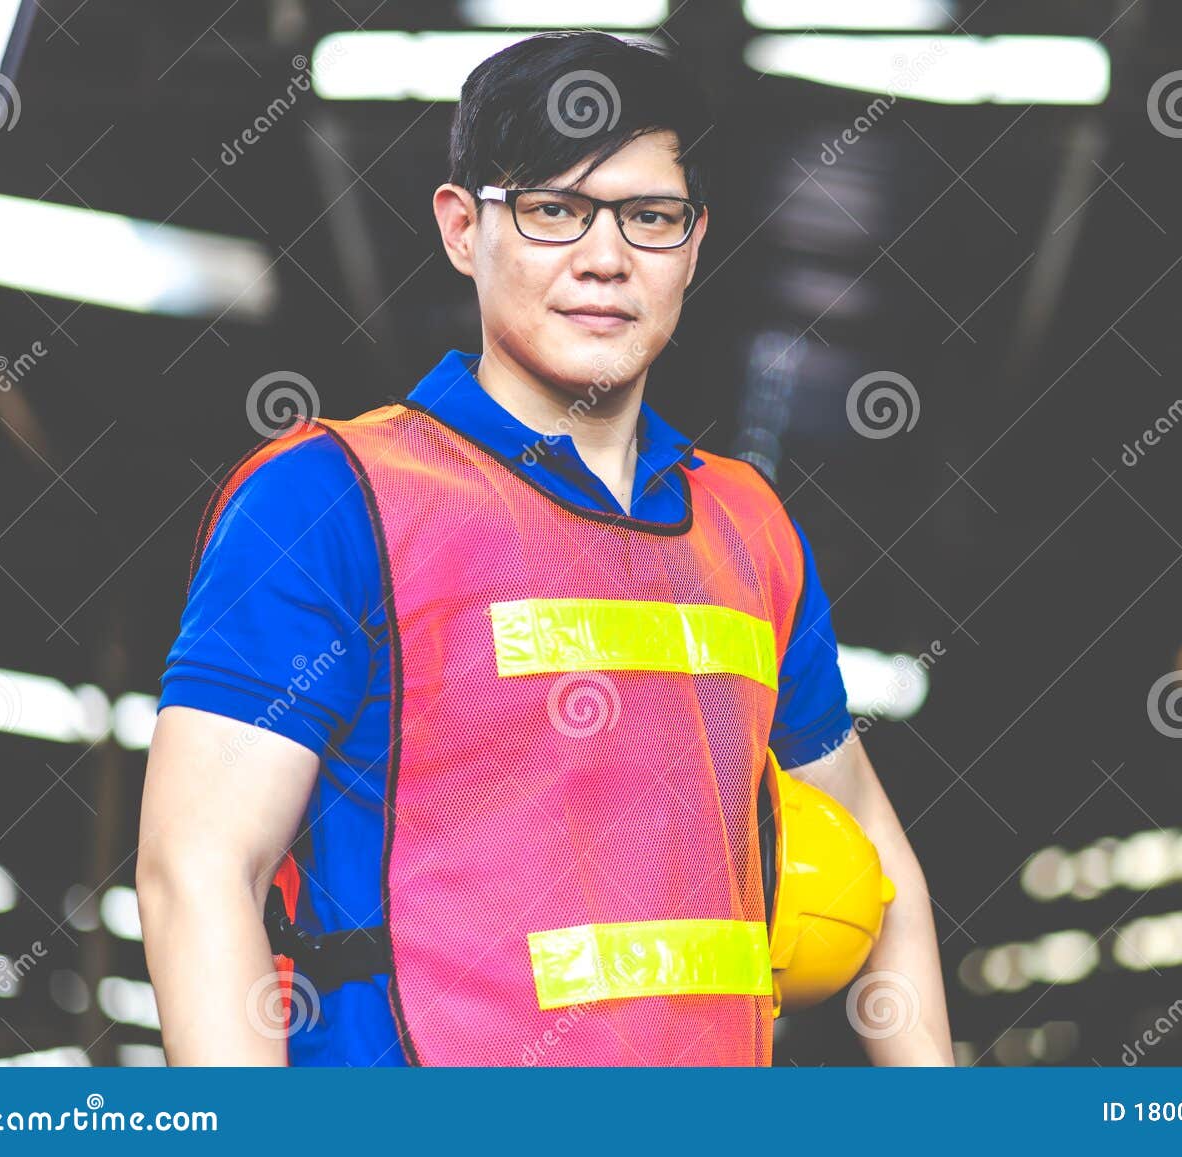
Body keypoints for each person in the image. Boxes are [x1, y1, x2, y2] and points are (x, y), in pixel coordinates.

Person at [137, 30, 952, 1067]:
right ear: (460, 228)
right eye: (552, 210)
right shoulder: (329, 499)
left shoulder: (749, 527)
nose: (604, 258)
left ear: (694, 244)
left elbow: (879, 857)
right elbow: (197, 869)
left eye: (648, 216)